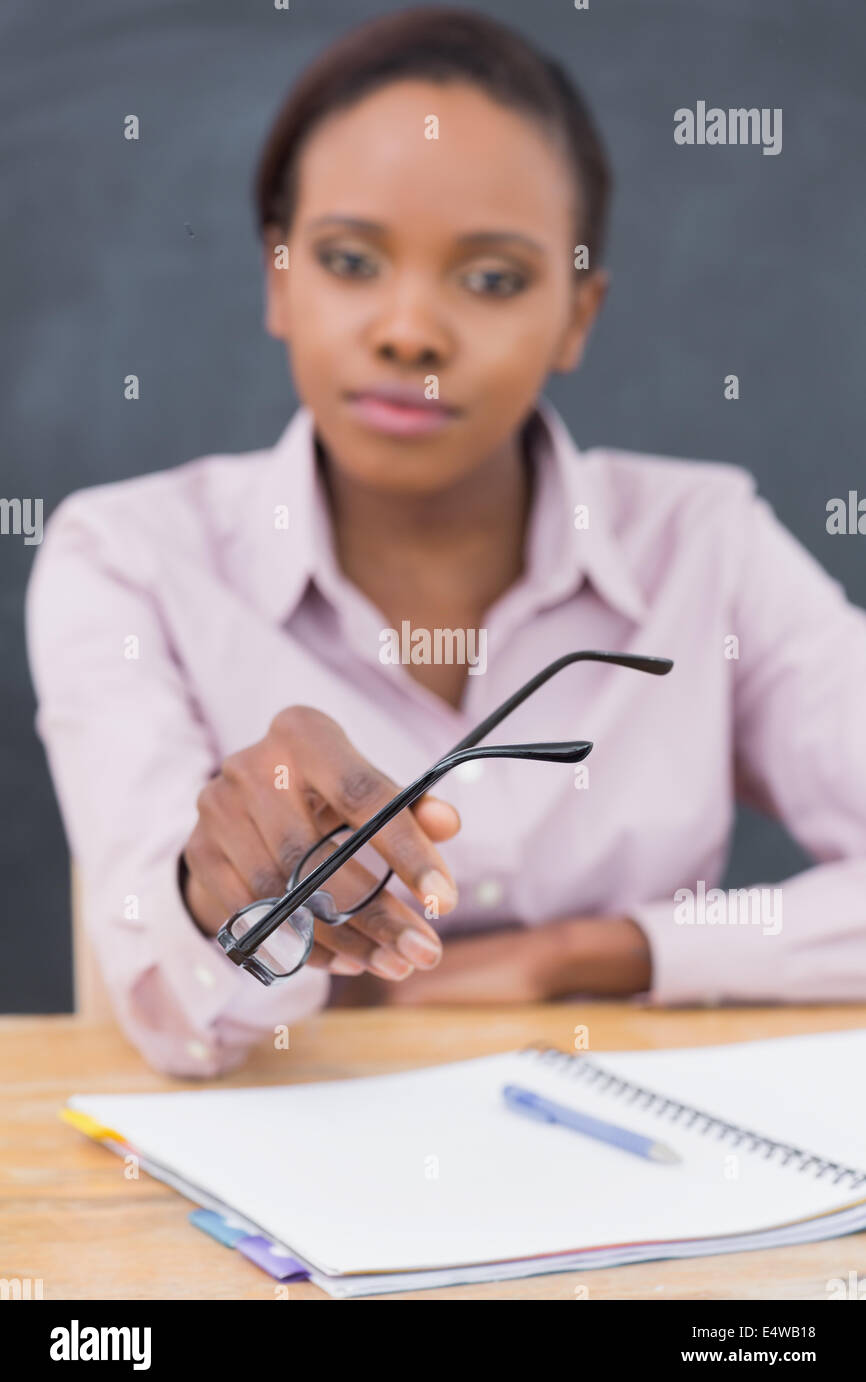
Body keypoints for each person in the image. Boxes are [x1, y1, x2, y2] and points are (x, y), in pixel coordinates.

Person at [25, 7, 866, 1079]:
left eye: (491, 279)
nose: (411, 330)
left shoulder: (704, 543)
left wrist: (592, 953)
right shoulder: (128, 560)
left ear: (577, 315)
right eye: (347, 260)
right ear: (279, 279)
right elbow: (172, 1017)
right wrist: (213, 889)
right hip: (278, 1188)